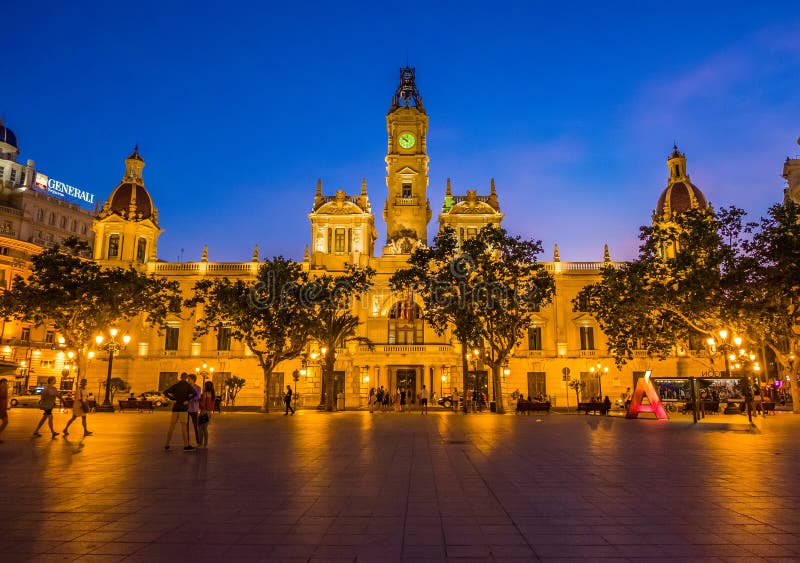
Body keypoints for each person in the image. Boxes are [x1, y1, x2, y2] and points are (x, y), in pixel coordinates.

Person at [163, 373, 197, 452]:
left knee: (171, 427)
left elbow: (165, 392)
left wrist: (172, 399)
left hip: (175, 408)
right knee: (184, 428)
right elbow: (195, 393)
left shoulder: (176, 385)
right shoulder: (188, 386)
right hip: (183, 409)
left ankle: (167, 444)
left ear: (180, 377)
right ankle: (186, 445)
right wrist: (187, 400)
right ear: (186, 378)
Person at [197, 381, 215, 448]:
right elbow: (212, 406)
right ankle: (205, 444)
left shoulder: (205, 394)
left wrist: (198, 401)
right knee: (205, 429)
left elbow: (203, 404)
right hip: (209, 413)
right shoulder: (213, 395)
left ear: (206, 386)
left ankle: (200, 444)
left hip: (203, 413)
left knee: (200, 429)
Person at [187, 373, 202, 445]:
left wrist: (189, 399)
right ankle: (187, 441)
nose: (188, 380)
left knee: (195, 425)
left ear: (193, 380)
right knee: (186, 426)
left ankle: (198, 441)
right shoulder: (186, 387)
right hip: (186, 409)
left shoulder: (198, 388)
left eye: (189, 379)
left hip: (194, 409)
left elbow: (198, 397)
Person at [0, 378, 8, 443]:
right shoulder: (1, 389)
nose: (5, 384)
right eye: (4, 383)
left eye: (6, 383)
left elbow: (6, 398)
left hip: (3, 408)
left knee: (5, 422)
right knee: (5, 421)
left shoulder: (5, 389)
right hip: (1, 407)